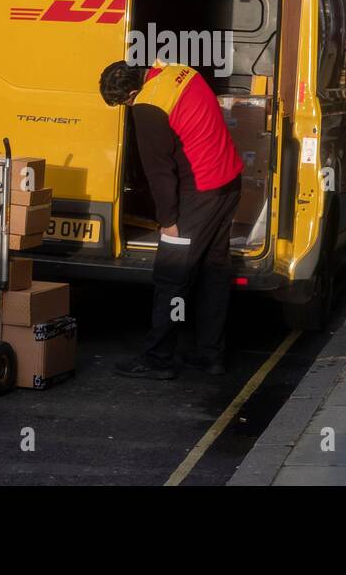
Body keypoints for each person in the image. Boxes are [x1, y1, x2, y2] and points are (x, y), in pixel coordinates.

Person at [99, 61, 242, 379]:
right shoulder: (178, 71)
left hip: (200, 192)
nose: (128, 108)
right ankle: (210, 354)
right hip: (228, 182)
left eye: (124, 103)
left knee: (171, 275)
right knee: (214, 271)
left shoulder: (148, 105)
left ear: (131, 93)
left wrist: (168, 221)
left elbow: (159, 173)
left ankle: (159, 358)